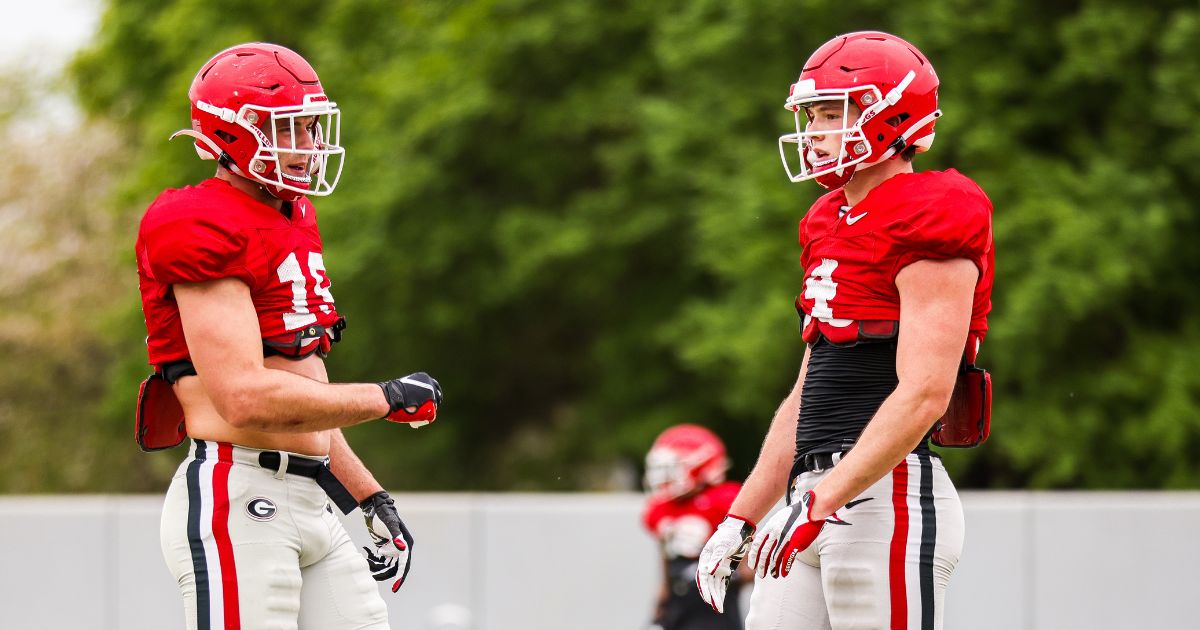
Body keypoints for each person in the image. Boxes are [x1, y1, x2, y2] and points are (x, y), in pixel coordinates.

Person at [134, 42, 443, 630]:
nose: (307, 146)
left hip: (307, 496)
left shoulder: (291, 214)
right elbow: (245, 397)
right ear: (231, 133)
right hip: (236, 493)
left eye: (309, 127)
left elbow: (302, 385)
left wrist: (367, 494)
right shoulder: (198, 220)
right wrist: (385, 396)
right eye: (289, 129)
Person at [695, 31, 995, 630]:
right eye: (814, 115)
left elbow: (924, 393)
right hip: (809, 498)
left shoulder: (932, 213)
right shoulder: (827, 222)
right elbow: (808, 392)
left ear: (890, 115)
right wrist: (743, 515)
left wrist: (823, 499)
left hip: (887, 496)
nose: (816, 131)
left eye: (833, 113)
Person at [643, 424, 746, 630]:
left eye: (671, 468)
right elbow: (666, 553)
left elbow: (748, 563)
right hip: (677, 605)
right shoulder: (661, 508)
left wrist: (725, 575)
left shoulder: (723, 500)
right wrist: (662, 597)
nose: (664, 477)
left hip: (712, 605)